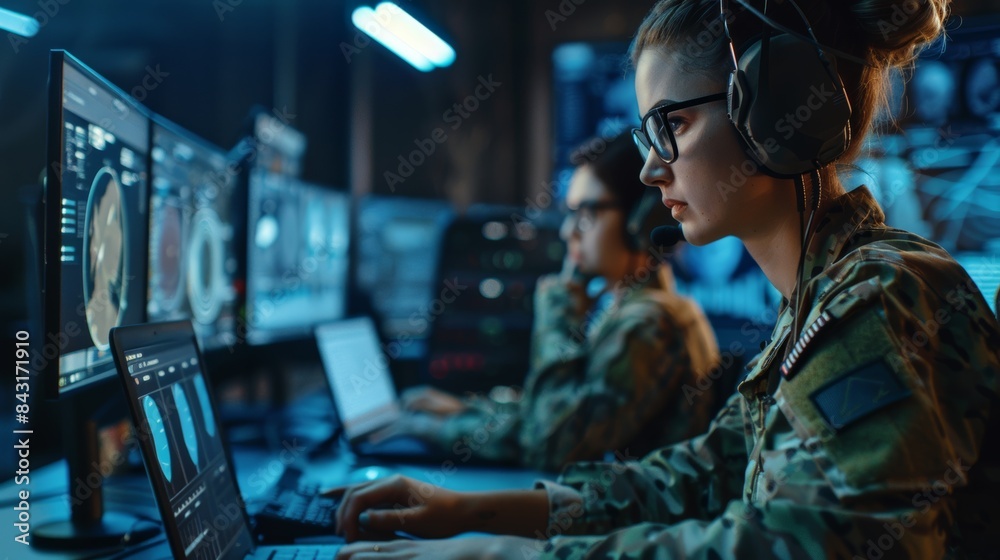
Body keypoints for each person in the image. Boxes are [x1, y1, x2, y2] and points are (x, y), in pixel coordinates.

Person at [332, 0, 1000, 557]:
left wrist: (502, 553)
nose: (652, 170)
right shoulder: (815, 308)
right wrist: (471, 511)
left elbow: (806, 544)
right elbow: (704, 478)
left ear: (779, 110)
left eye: (671, 125)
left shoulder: (881, 299)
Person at [391, 133, 720, 472]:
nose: (567, 232)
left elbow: (551, 444)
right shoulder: (634, 308)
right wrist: (464, 414)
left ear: (641, 219)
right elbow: (557, 415)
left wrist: (558, 313)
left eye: (586, 212)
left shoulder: (651, 321)